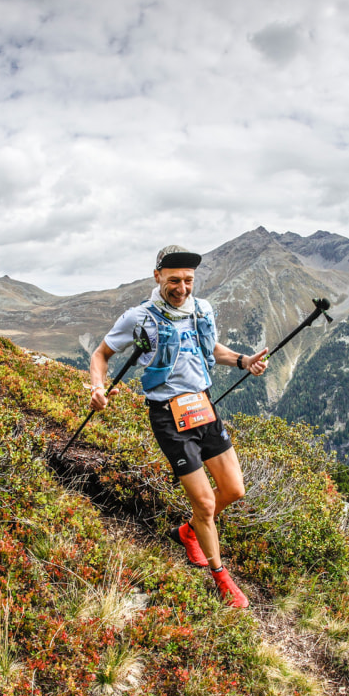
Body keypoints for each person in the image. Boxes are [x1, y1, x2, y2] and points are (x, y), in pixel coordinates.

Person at [88, 245, 269, 608]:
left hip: (202, 407)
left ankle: (188, 531)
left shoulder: (202, 310)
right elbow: (101, 354)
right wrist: (97, 387)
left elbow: (210, 348)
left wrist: (243, 360)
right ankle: (221, 579)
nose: (182, 288)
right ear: (157, 277)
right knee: (204, 502)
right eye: (174, 280)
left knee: (234, 490)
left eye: (188, 280)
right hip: (168, 416)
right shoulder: (139, 317)